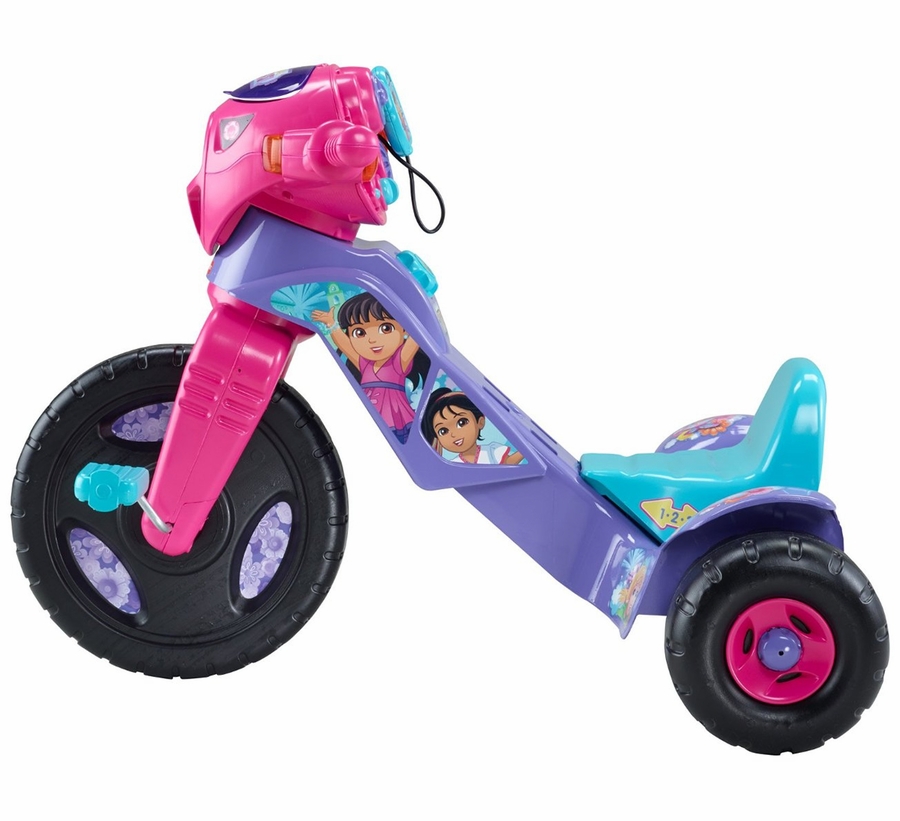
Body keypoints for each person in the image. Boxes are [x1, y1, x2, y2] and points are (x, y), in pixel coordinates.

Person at [312, 293, 427, 443]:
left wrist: (418, 310)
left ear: (403, 330)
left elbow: (415, 339)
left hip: (397, 418)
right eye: (359, 332)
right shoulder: (364, 364)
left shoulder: (399, 361)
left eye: (386, 328)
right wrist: (331, 323)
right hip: (371, 420)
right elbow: (344, 344)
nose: (372, 340)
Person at [421, 387, 524, 464]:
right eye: (443, 431)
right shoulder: (454, 464)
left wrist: (526, 449)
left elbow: (508, 463)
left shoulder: (491, 451)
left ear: (480, 422)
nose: (453, 434)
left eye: (461, 423)